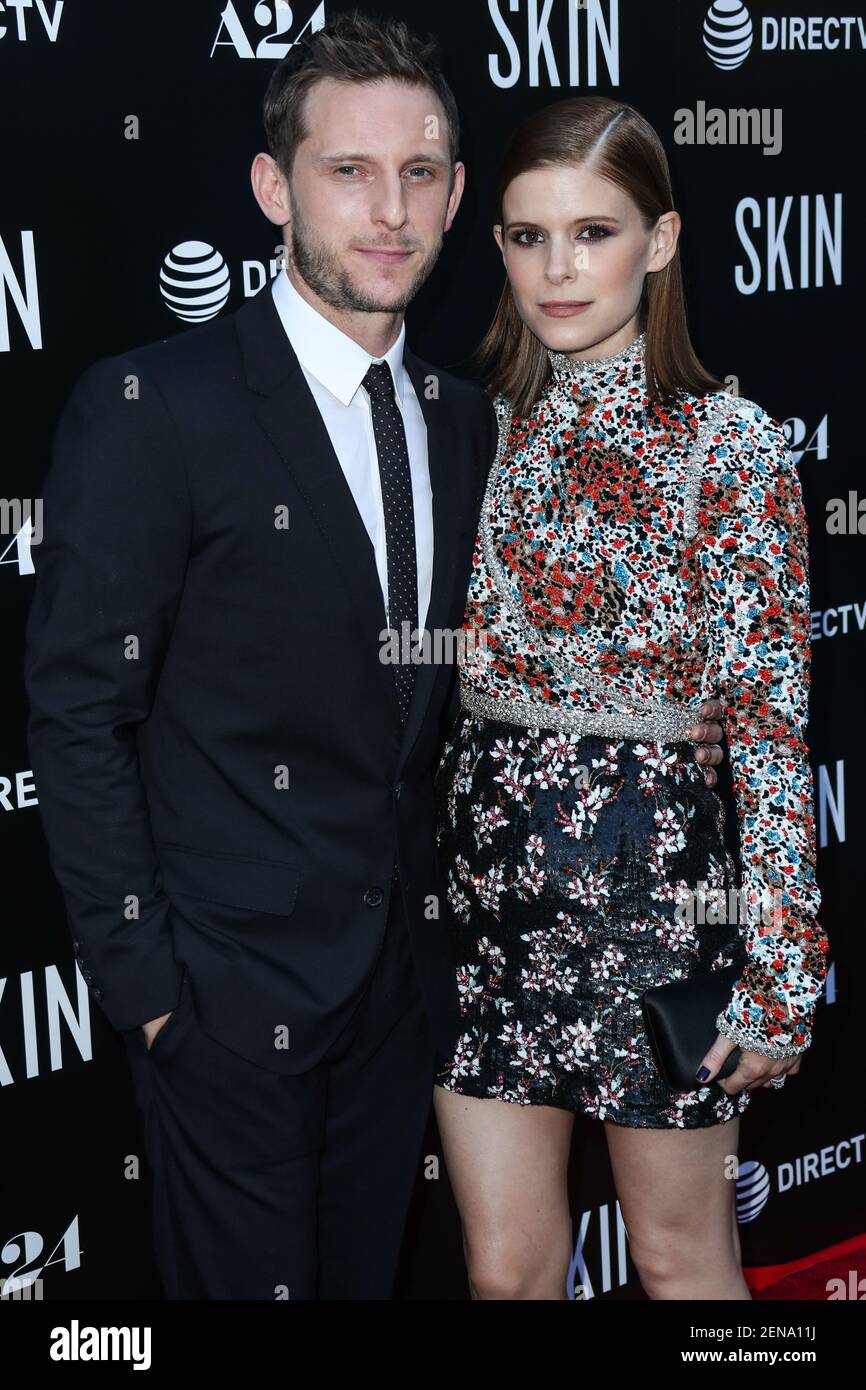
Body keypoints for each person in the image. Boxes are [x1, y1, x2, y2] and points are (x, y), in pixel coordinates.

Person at [23, 17, 723, 1300]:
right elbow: (79, 718)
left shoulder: (469, 422)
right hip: (224, 1012)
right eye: (349, 170)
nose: (388, 210)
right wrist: (153, 996)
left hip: (410, 1009)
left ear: (459, 195)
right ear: (272, 187)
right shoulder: (156, 410)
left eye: (419, 173)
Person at [432, 95, 829, 1301]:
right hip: (480, 902)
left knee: (677, 1259)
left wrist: (778, 968)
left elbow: (766, 729)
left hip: (657, 905)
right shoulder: (469, 428)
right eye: (524, 235)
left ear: (656, 242)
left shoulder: (730, 444)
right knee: (505, 1274)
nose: (557, 269)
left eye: (592, 233)